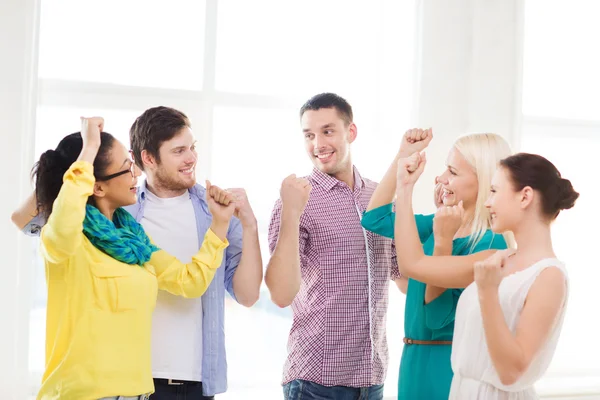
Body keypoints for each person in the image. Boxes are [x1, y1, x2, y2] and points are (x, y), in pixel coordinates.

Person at [12, 107, 264, 400]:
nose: (135, 172)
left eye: (191, 148)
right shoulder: (67, 238)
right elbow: (50, 218)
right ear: (96, 185)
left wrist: (220, 225)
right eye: (126, 166)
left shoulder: (133, 239)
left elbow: (190, 281)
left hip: (138, 393)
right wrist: (89, 149)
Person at [265, 93, 398, 400]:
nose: (318, 145)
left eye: (327, 131)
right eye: (309, 135)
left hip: (373, 378)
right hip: (316, 382)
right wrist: (291, 213)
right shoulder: (296, 200)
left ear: (350, 132)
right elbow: (281, 294)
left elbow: (403, 275)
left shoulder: (380, 198)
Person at [361, 129, 511, 399]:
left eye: (452, 171)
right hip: (413, 360)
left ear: (484, 180)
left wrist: (443, 241)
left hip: (445, 365)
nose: (441, 178)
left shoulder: (490, 245)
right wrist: (402, 157)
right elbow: (374, 218)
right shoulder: (437, 224)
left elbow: (435, 317)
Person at [448, 153, 578, 399]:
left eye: (494, 191)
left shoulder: (549, 276)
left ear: (525, 196)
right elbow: (418, 267)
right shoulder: (500, 259)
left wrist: (487, 292)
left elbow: (511, 372)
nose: (487, 203)